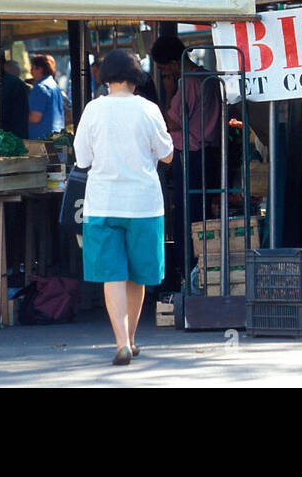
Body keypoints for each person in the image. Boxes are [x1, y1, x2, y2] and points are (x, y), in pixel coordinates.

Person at [73, 49, 174, 365]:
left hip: (103, 202)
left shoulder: (93, 110)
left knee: (112, 274)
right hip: (143, 203)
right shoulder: (149, 109)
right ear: (136, 78)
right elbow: (168, 154)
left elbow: (82, 159)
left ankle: (120, 342)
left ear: (105, 78)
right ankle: (132, 338)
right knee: (137, 274)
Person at [154, 35, 223, 289]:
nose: (164, 74)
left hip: (191, 154)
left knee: (187, 216)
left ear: (173, 63)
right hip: (209, 152)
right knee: (200, 214)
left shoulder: (189, 83)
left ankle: (190, 275)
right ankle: (198, 273)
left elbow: (171, 122)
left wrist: (170, 91)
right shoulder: (208, 77)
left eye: (163, 69)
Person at [27, 54, 66, 140]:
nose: (31, 72)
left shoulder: (40, 87)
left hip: (42, 141)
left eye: (32, 68)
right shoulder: (54, 85)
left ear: (39, 69)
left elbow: (35, 117)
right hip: (58, 138)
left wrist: (18, 116)